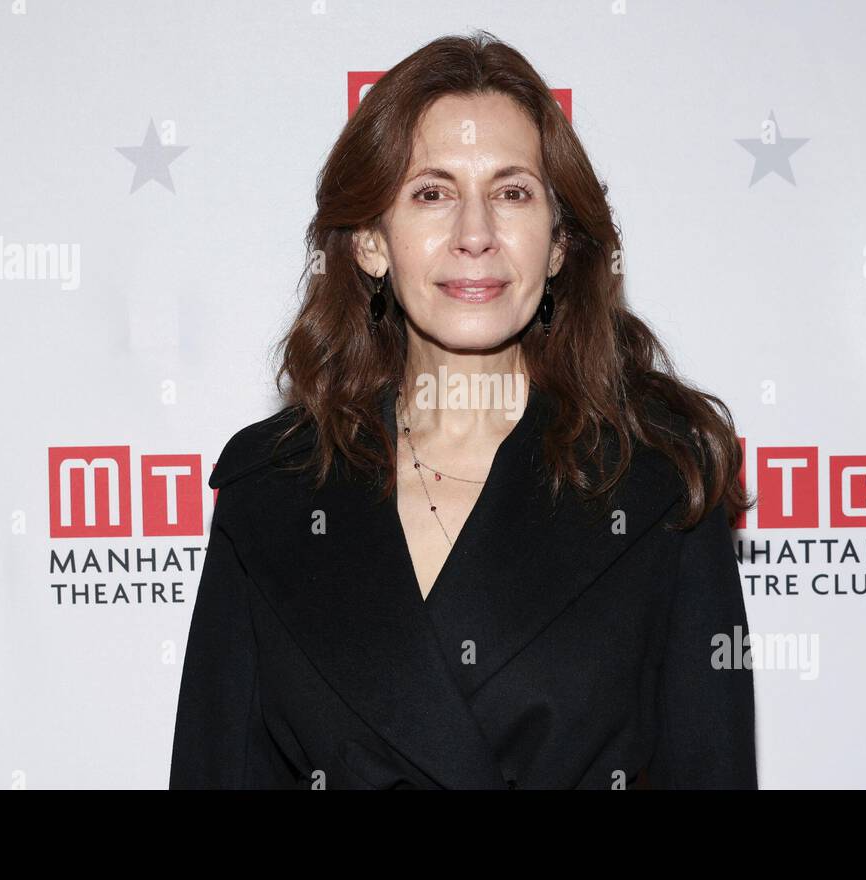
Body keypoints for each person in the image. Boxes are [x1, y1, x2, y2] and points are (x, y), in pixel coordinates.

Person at [168, 30, 757, 789]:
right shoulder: (272, 489)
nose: (474, 236)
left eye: (512, 193)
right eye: (432, 193)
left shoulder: (659, 478)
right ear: (372, 244)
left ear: (557, 246)